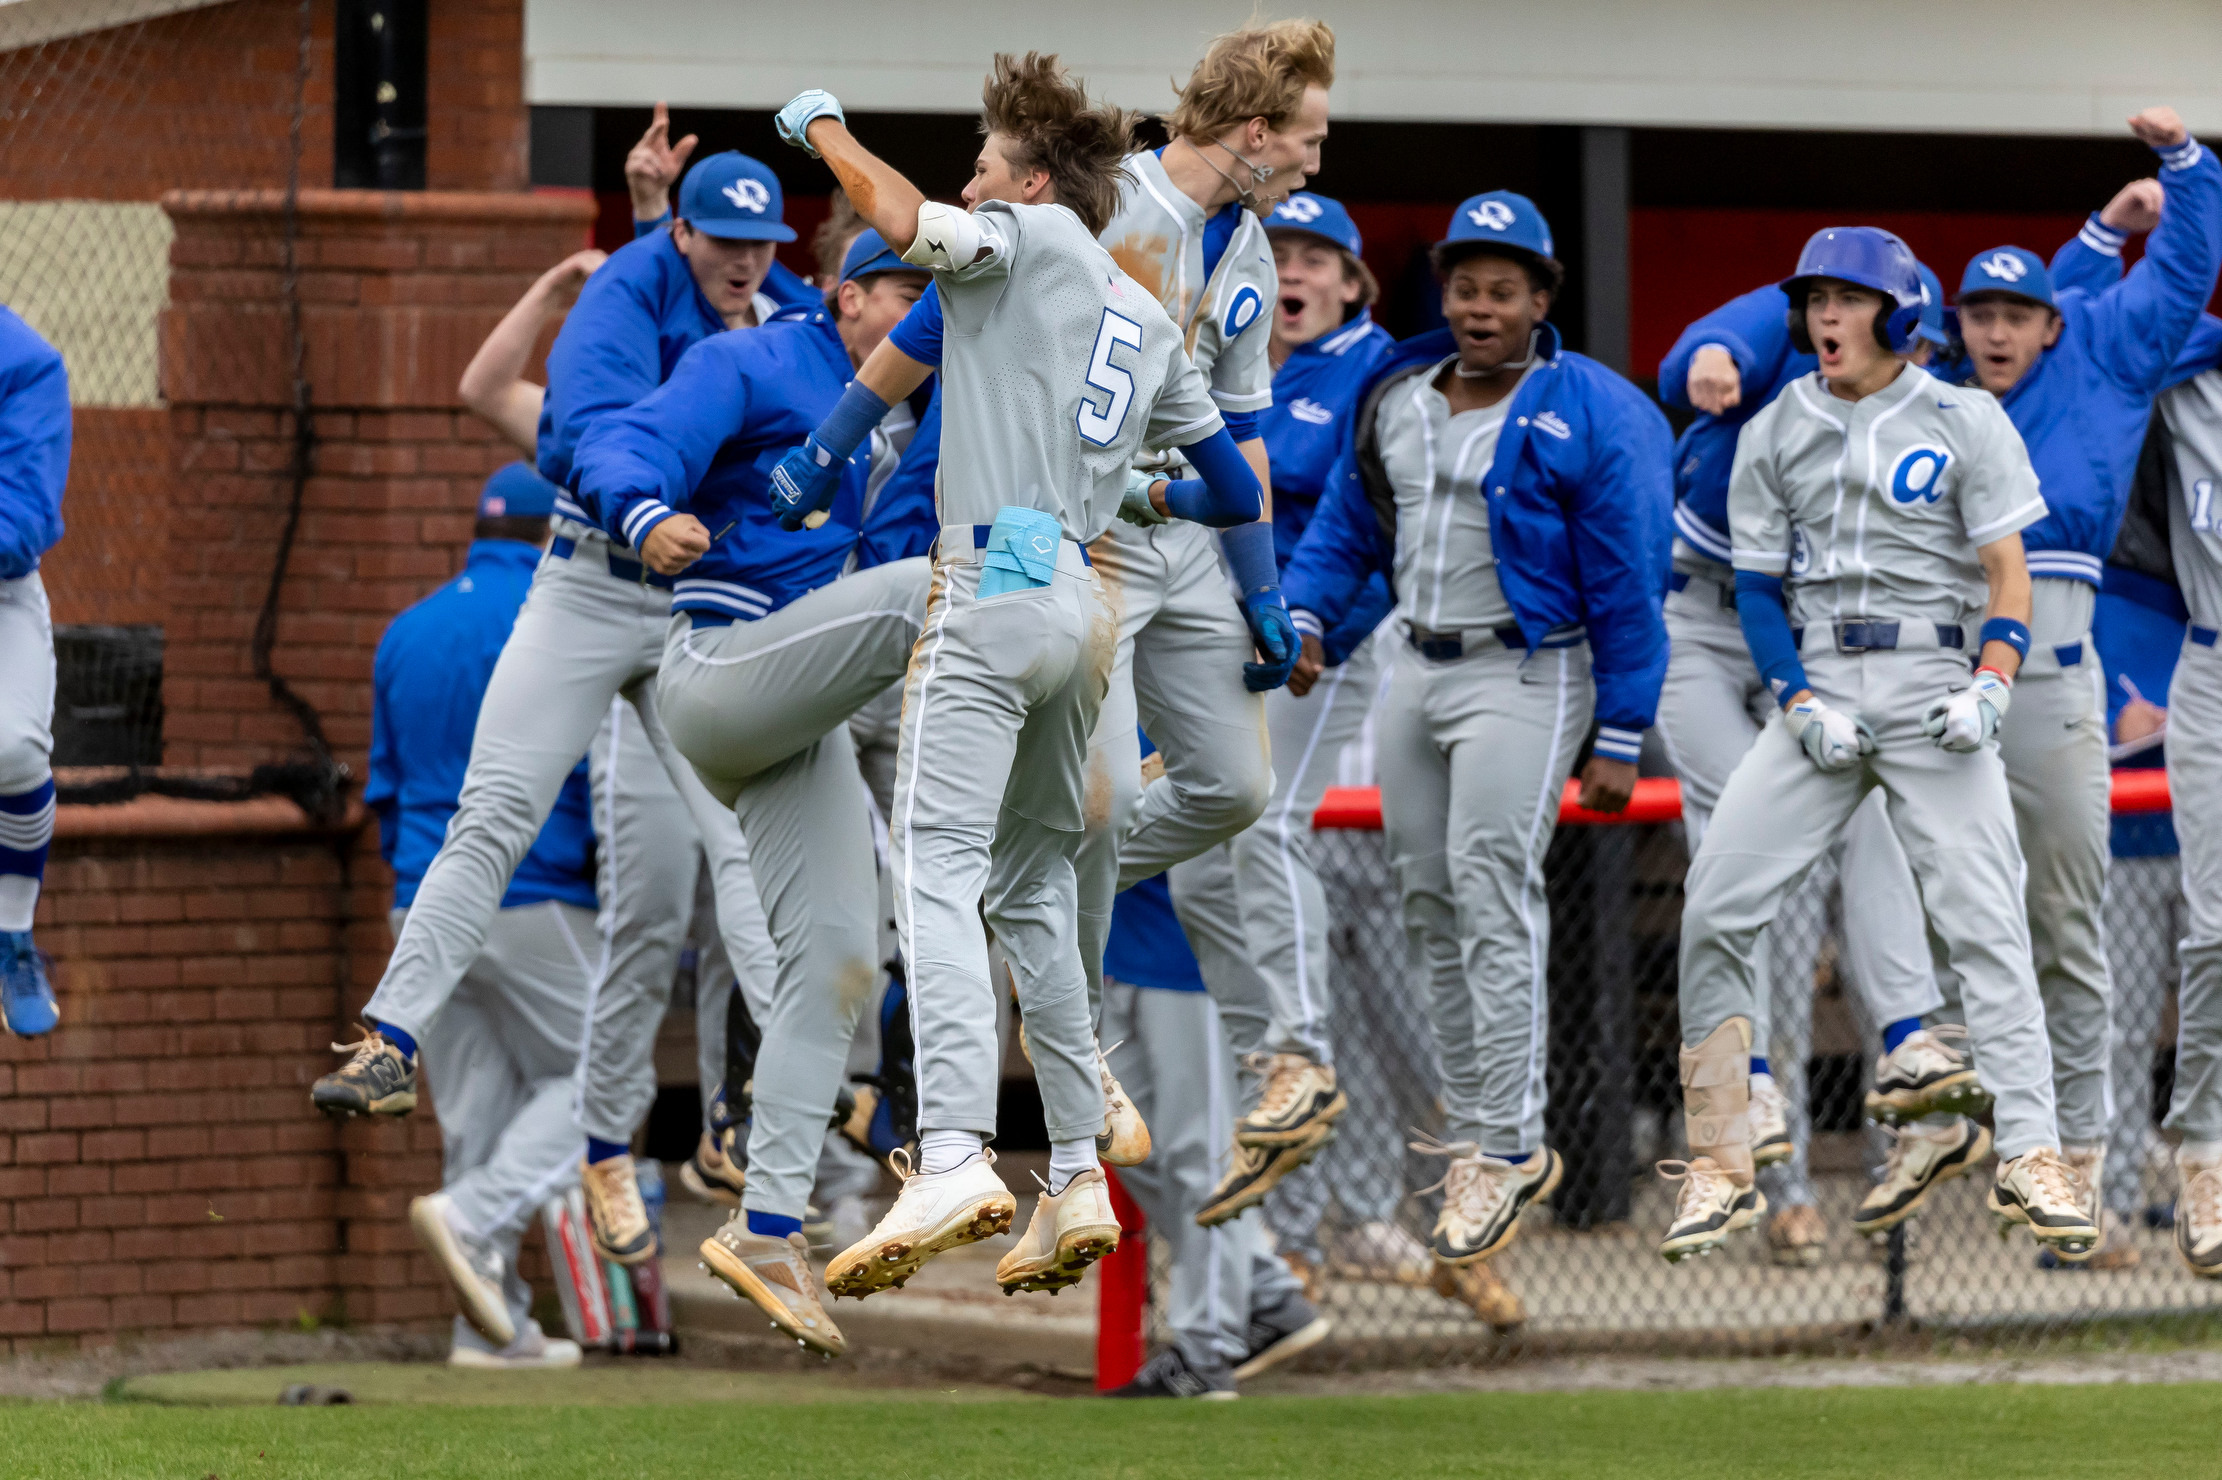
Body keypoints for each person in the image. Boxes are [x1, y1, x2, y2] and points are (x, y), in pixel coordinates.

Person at [765, 54, 1267, 1298]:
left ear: (1036, 183)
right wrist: (1148, 500)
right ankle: (1078, 1170)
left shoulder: (1021, 238)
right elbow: (1234, 492)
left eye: (985, 164)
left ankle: (949, 1153)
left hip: (991, 579)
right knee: (1034, 882)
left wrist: (824, 128)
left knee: (932, 866)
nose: (970, 183)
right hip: (1082, 599)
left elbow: (893, 220)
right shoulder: (1143, 313)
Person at [310, 150, 805, 1277]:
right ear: (681, 233)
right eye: (723, 238)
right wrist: (649, 508)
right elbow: (582, 429)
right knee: (496, 810)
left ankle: (786, 1091)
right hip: (589, 579)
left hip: (696, 604)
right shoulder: (626, 292)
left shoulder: (784, 312)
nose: (744, 259)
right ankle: (390, 1039)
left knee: (743, 842)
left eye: (761, 241)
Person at [1662, 225, 2095, 1262]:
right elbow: (1756, 590)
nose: (1825, 317)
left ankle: (2032, 1152)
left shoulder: (1964, 416)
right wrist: (1796, 697)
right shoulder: (1776, 424)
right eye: (1814, 299)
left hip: (1933, 676)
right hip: (1820, 677)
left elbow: (2008, 574)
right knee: (1714, 900)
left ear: (1900, 317)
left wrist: (1992, 681)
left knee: (1986, 919)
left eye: (1848, 299)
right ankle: (1721, 1151)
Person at [1281, 192, 1673, 1273]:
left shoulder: (1592, 407)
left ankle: (1508, 1141)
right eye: (1464, 287)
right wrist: (1305, 614)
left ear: (1542, 299)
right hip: (1415, 658)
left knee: (1489, 884)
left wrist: (1623, 723)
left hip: (1528, 665)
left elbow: (1630, 573)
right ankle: (1473, 1127)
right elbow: (1347, 525)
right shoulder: (1400, 392)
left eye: (1503, 289)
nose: (1480, 307)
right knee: (1424, 900)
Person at [568, 227, 939, 1354]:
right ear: (845, 294)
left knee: (839, 961)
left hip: (795, 719)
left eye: (936, 295)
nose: (926, 313)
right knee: (938, 587)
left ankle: (767, 1227)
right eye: (906, 291)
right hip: (720, 670)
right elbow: (624, 438)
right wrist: (642, 510)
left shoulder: (919, 419)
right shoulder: (760, 357)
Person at [1944, 106, 2222, 1247]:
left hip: (2055, 668)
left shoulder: (2096, 366)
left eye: (2018, 315)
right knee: (1941, 925)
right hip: (1940, 671)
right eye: (1980, 313)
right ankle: (1982, 1145)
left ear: (2049, 325)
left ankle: (2081, 1169)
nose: (1998, 330)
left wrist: (2183, 169)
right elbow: (1811, 319)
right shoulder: (1935, 395)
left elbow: (2173, 282)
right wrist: (2107, 222)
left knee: (2066, 928)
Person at [1657, 262, 1966, 1263]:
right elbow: (1708, 348)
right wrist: (1713, 353)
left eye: (1924, 345)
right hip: (1704, 619)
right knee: (1754, 869)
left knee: (1870, 847)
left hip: (1815, 647)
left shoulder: (1930, 431)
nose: (1907, 356)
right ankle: (1761, 1154)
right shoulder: (1793, 364)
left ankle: (1897, 1104)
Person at [1075, 18, 1327, 1138]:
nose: (1316, 160)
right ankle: (1057, 989)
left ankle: (1029, 895)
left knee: (1231, 786)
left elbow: (1245, 430)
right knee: (1105, 799)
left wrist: (1261, 587)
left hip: (1185, 531)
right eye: (1310, 137)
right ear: (1258, 131)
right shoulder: (1102, 203)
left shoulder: (1251, 247)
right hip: (1084, 530)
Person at [379, 465, 591, 1370]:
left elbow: (385, 789)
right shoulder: (561, 621)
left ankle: (488, 1329)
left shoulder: (407, 629)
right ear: (554, 534)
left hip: (420, 901)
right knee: (606, 1083)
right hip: (535, 889)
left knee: (475, 1117)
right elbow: (598, 780)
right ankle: (472, 1218)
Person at [1101, 733, 1328, 1400]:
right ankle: (1269, 1294)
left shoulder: (1189, 691)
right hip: (1113, 947)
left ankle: (1205, 1351)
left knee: (1200, 1158)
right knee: (1124, 1142)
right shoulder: (1093, 689)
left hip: (1190, 960)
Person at [0, 305, 66, 1037]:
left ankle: (12, 931)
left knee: (14, 747)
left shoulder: (24, 361)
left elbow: (20, 524)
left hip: (2, 590)